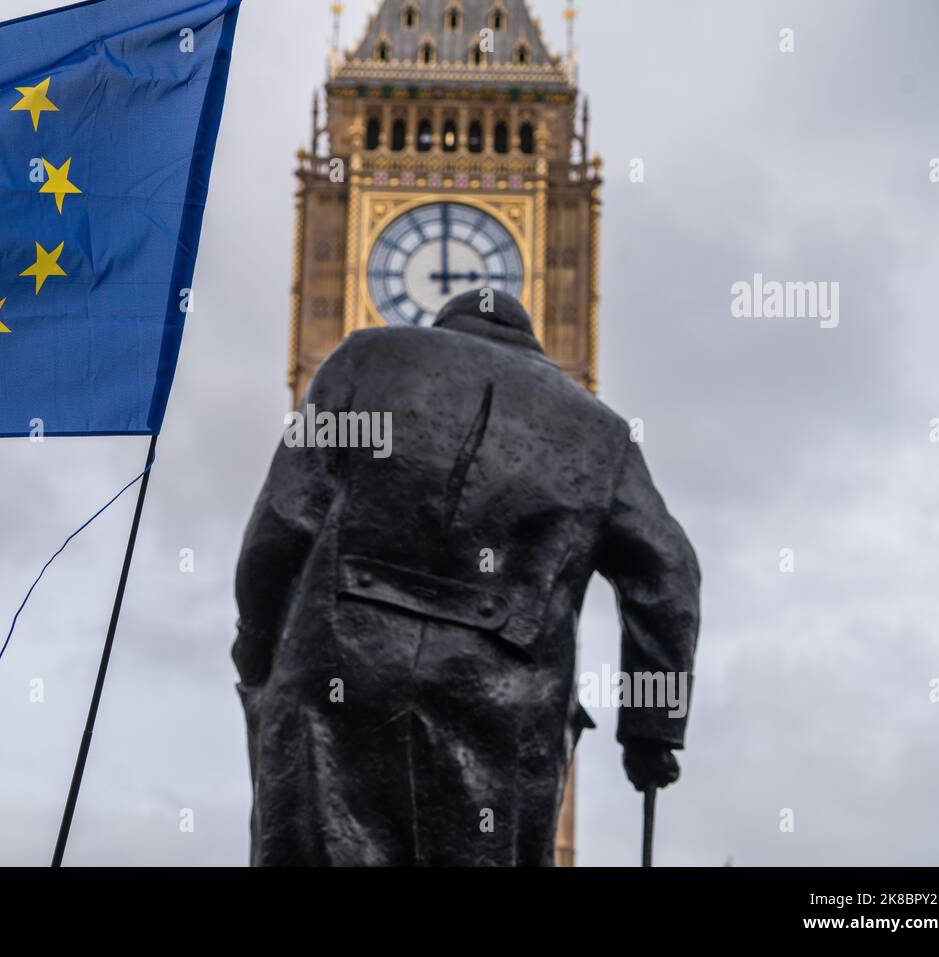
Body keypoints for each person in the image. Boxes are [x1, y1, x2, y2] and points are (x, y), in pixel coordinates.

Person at [233, 289, 700, 866]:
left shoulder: (366, 359)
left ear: (442, 326)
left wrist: (255, 647)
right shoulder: (601, 434)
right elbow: (669, 574)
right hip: (504, 703)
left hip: (342, 668)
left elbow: (283, 518)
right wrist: (651, 729)